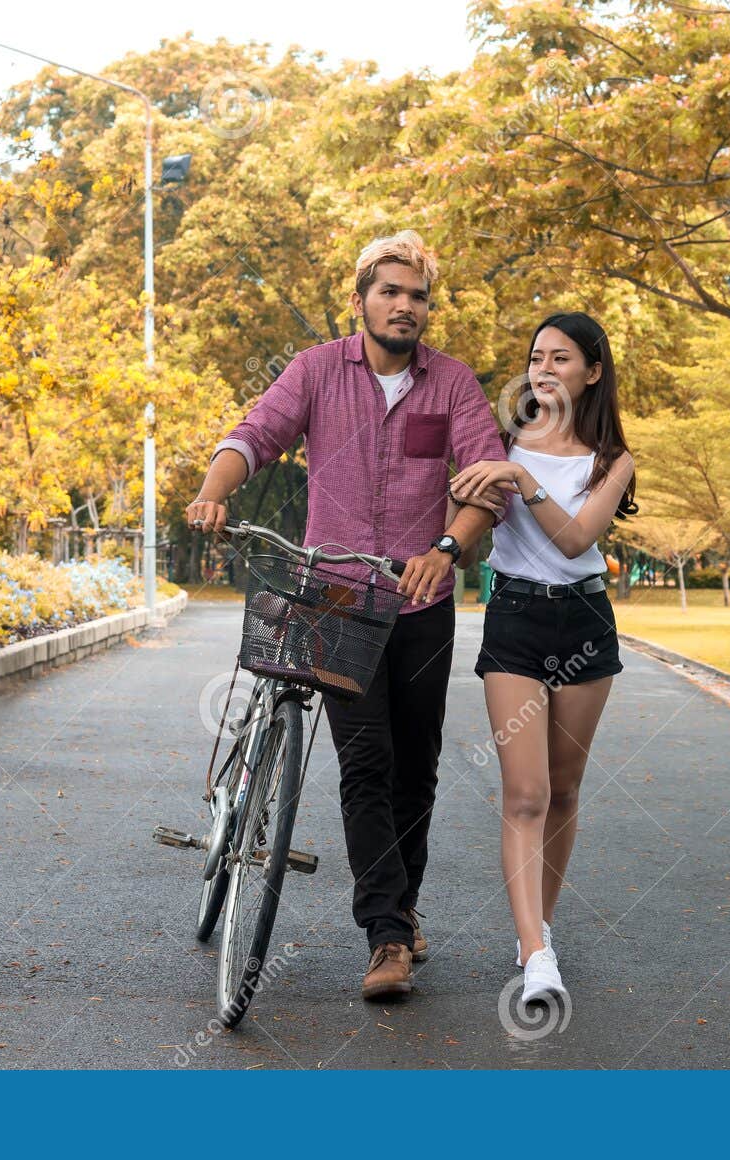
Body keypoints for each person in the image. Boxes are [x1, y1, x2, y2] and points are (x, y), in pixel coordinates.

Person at [187, 230, 509, 1001]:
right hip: (334, 598)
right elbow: (255, 434)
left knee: (414, 767)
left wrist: (447, 546)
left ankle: (400, 902)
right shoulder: (315, 371)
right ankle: (388, 936)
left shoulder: (454, 384)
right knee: (365, 762)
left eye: (417, 295)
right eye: (390, 291)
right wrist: (213, 488)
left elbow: (485, 478)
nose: (405, 305)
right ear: (361, 298)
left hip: (422, 598)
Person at [449, 311, 637, 1006]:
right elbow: (468, 543)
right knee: (524, 792)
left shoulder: (612, 460)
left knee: (562, 790)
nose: (544, 369)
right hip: (516, 620)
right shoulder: (500, 441)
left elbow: (577, 536)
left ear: (592, 370)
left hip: (585, 620)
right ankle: (534, 953)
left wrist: (521, 481)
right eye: (536, 357)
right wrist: (460, 512)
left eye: (561, 358)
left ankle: (543, 926)